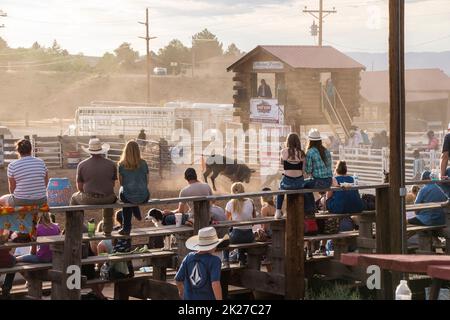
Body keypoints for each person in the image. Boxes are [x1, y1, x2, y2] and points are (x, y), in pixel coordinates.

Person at [70, 138, 117, 236]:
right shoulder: (111, 164)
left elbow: (79, 187)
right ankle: (107, 229)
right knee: (111, 198)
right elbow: (113, 184)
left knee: (74, 198)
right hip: (108, 198)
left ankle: (76, 226)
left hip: (89, 198)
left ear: (90, 151)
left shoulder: (82, 165)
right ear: (101, 151)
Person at [175, 226, 223, 300]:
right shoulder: (215, 260)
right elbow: (215, 283)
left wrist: (181, 293)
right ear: (213, 246)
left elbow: (178, 279)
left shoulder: (188, 257)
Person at [0, 139, 48, 207]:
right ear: (31, 150)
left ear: (18, 151)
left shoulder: (12, 165)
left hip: (21, 200)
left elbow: (12, 188)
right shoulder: (41, 162)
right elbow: (46, 182)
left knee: (1, 200)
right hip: (41, 200)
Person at [118, 140, 150, 235]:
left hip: (128, 197)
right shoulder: (144, 163)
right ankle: (135, 209)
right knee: (132, 194)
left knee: (125, 195)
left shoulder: (121, 164)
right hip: (144, 197)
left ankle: (126, 228)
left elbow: (121, 183)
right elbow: (147, 181)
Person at [223, 182, 255, 268]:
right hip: (249, 236)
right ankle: (242, 260)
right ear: (243, 190)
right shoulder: (250, 202)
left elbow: (225, 221)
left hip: (237, 236)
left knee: (224, 240)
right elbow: (253, 219)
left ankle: (226, 261)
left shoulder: (230, 203)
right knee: (241, 234)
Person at [325, 161, 363, 231]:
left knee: (324, 200)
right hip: (355, 207)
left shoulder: (334, 179)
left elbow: (328, 196)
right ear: (346, 170)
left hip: (340, 208)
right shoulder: (352, 179)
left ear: (336, 170)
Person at [275, 133, 306, 218]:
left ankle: (278, 211)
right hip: (300, 184)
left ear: (288, 141)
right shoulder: (302, 153)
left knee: (280, 189)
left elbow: (282, 163)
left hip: (287, 183)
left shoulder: (284, 151)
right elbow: (303, 171)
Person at [304, 129, 333, 213]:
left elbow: (308, 170)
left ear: (310, 141)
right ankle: (314, 206)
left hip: (318, 182)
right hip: (329, 181)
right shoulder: (326, 151)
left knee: (303, 185)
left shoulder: (310, 152)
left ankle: (311, 208)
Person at [0, 230, 16, 298]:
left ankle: (5, 286)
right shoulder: (8, 231)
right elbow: (15, 239)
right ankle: (7, 287)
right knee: (14, 265)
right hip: (8, 261)